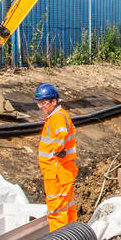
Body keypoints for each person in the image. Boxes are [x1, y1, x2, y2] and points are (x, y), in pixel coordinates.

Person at [35, 83, 78, 230]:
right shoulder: (57, 116)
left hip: (56, 173)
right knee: (68, 208)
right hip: (61, 172)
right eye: (38, 103)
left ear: (54, 101)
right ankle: (75, 239)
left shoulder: (57, 117)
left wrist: (56, 151)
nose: (41, 106)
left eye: (43, 102)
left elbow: (61, 135)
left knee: (56, 211)